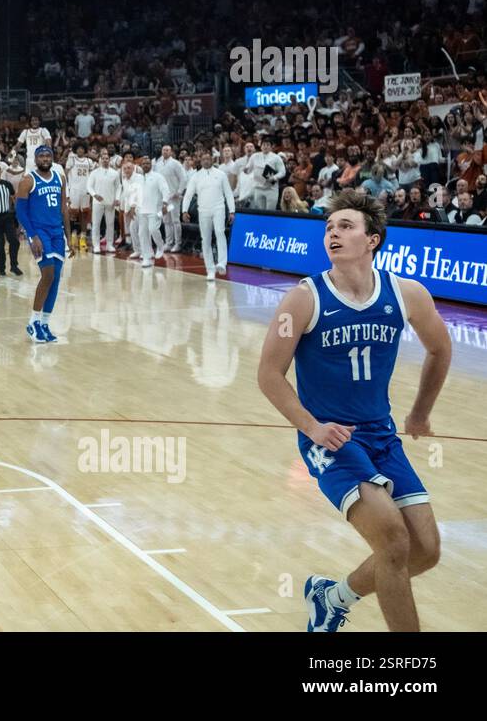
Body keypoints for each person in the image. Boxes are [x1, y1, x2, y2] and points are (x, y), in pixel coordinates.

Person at [257, 190, 450, 632]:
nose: (334, 234)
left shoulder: (407, 294)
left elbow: (440, 349)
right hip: (331, 438)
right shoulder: (303, 299)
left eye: (346, 226)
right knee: (393, 539)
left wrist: (420, 413)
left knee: (426, 549)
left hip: (381, 434)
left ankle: (332, 597)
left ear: (373, 240)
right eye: (329, 227)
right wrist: (312, 427)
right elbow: (269, 374)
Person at [15, 146, 74, 343]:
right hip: (40, 233)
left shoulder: (60, 177)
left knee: (56, 278)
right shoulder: (28, 180)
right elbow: (21, 211)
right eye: (41, 156)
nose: (45, 158)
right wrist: (33, 236)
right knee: (47, 274)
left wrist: (69, 236)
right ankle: (33, 321)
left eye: (48, 155)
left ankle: (45, 323)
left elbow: (64, 209)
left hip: (57, 233)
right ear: (35, 159)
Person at [181, 150, 236, 280]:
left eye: (208, 158)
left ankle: (222, 263)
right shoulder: (196, 176)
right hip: (203, 210)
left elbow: (228, 193)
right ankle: (210, 269)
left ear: (212, 160)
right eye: (203, 159)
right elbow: (188, 195)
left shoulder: (221, 174)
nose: (206, 160)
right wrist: (184, 211)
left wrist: (232, 211)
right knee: (205, 239)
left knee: (219, 232)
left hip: (219, 208)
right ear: (200, 161)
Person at [134, 155, 169, 268]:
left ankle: (160, 246)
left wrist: (165, 203)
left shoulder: (158, 177)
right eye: (143, 164)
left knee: (153, 229)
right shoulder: (137, 178)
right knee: (142, 233)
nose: (145, 165)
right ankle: (147, 257)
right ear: (141, 165)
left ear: (151, 165)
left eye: (148, 163)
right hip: (141, 210)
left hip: (155, 209)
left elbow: (165, 190)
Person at [87, 150, 120, 255]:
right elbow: (89, 186)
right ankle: (96, 245)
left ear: (109, 160)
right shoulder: (94, 173)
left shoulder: (115, 173)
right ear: (100, 160)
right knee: (96, 224)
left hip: (110, 202)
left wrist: (117, 198)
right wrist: (94, 194)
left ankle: (109, 244)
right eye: (103, 158)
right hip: (98, 202)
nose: (105, 160)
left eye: (107, 158)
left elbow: (118, 187)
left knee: (110, 224)